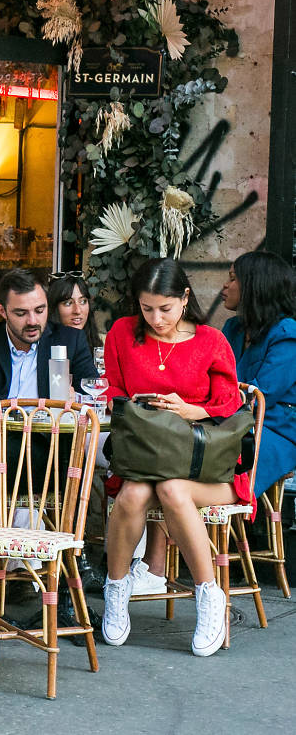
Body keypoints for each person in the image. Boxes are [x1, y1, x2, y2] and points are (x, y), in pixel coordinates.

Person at [100, 258, 250, 658]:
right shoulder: (121, 333)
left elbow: (230, 401)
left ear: (185, 297)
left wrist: (189, 410)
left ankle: (209, 596)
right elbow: (111, 389)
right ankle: (116, 588)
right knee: (132, 495)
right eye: (146, 308)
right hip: (147, 455)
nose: (155, 318)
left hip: (203, 464)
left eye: (165, 308)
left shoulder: (210, 341)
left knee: (172, 489)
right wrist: (132, 403)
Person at [0, 268, 97, 502]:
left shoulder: (69, 340)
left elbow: (92, 392)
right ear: (2, 311)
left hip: (46, 450)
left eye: (40, 310)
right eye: (21, 313)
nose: (33, 321)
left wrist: (74, 397)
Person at [220, 250, 296, 503]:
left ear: (254, 285)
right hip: (230, 424)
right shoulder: (233, 328)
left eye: (233, 278)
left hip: (274, 431)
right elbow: (215, 377)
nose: (225, 285)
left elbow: (263, 393)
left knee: (211, 459)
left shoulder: (287, 333)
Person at [47, 271, 102, 351]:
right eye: (68, 303)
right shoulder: (41, 348)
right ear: (54, 308)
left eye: (83, 301)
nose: (77, 310)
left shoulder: (100, 345)